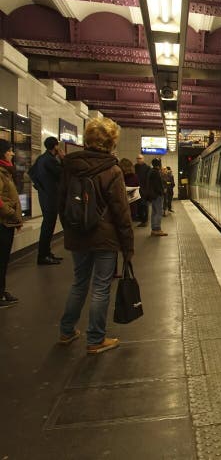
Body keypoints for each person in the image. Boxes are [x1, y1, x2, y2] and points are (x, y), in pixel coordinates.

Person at [58, 118, 134, 353]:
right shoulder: (112, 170)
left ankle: (67, 331)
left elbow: (61, 203)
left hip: (77, 235)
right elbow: (121, 212)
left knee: (79, 283)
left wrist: (72, 228)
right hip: (104, 237)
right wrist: (128, 247)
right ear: (111, 142)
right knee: (101, 287)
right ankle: (95, 339)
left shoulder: (69, 166)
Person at [29, 136, 63, 265]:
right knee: (48, 226)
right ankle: (43, 256)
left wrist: (39, 186)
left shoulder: (41, 158)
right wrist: (62, 159)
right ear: (55, 146)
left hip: (45, 196)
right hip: (51, 197)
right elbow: (62, 173)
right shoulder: (50, 160)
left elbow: (31, 172)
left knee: (48, 225)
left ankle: (46, 253)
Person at [0, 139, 23, 307]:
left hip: (7, 222)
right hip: (3, 223)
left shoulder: (5, 171)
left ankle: (1, 291)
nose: (12, 153)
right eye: (9, 150)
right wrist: (12, 214)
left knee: (3, 260)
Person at [144, 158, 167, 236]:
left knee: (154, 212)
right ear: (158, 164)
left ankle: (154, 229)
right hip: (157, 195)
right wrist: (162, 192)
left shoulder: (150, 171)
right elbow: (157, 185)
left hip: (153, 195)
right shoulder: (156, 172)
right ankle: (157, 229)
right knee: (158, 212)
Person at [133, 154, 150, 226]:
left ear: (143, 159)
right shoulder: (134, 167)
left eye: (140, 158)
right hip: (136, 189)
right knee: (138, 205)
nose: (138, 160)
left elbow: (148, 180)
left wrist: (147, 190)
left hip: (144, 190)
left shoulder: (147, 168)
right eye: (137, 158)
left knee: (144, 205)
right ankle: (141, 218)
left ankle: (145, 220)